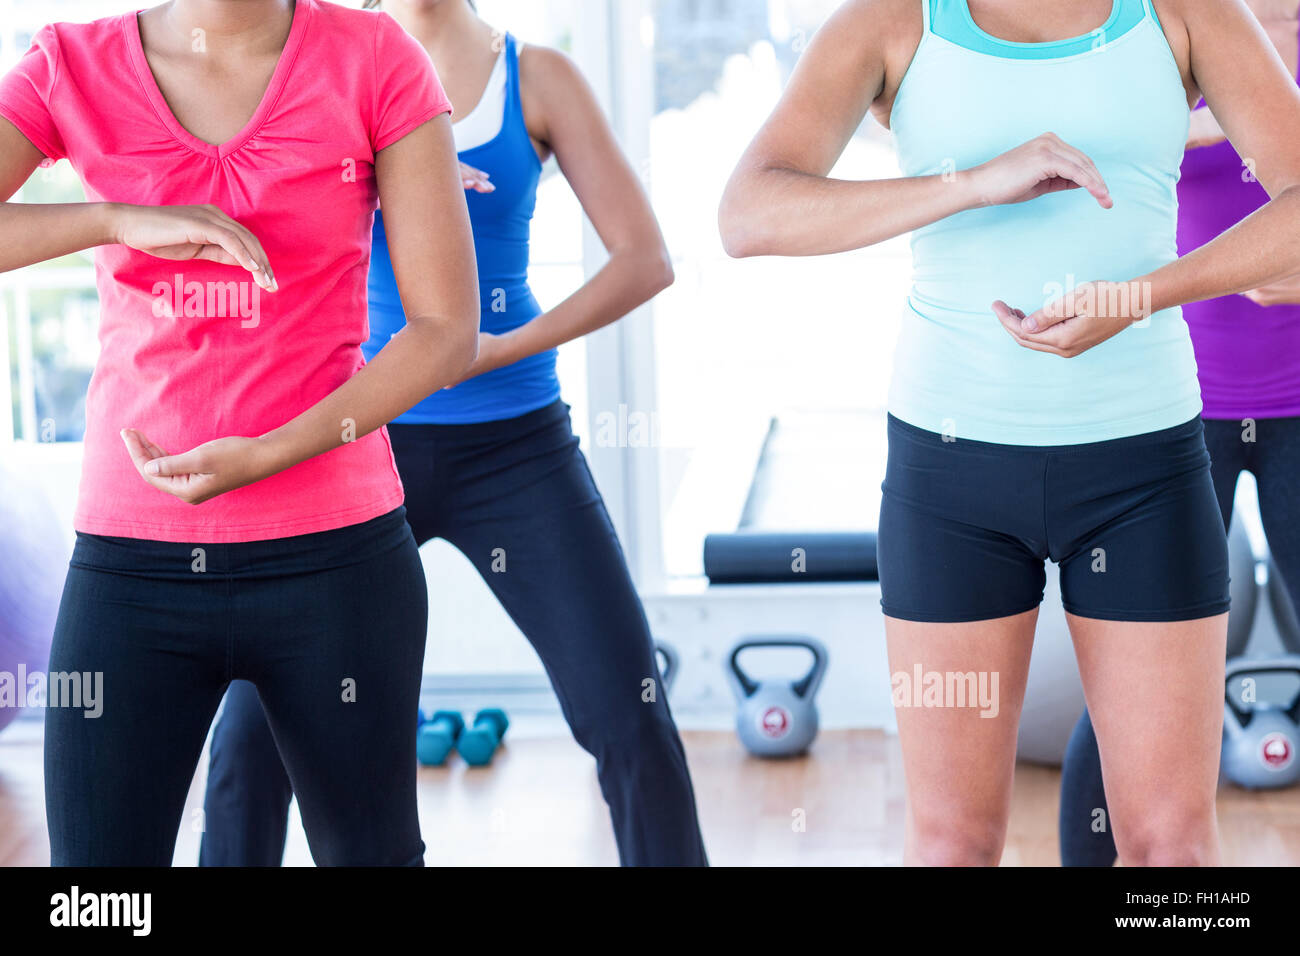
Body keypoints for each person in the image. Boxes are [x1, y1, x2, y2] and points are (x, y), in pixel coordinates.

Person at [719, 0, 1300, 865]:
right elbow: (750, 213)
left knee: (1171, 844)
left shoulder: (1187, 12)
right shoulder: (891, 20)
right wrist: (974, 182)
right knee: (954, 842)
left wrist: (1140, 294)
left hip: (1145, 461)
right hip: (950, 470)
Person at [199, 0, 709, 867]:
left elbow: (644, 259)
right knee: (250, 741)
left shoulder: (538, 76)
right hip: (355, 443)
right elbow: (243, 222)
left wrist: (499, 343)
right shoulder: (319, 69)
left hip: (514, 448)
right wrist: (383, 176)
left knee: (630, 712)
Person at [0, 0, 480, 865]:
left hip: (338, 560)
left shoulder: (377, 57)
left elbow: (445, 329)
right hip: (131, 561)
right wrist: (113, 219)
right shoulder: (73, 62)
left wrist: (269, 454)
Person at [1059, 0, 1300, 868]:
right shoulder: (1173, 44)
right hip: (1178, 405)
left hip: (1299, 409)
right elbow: (1082, 176)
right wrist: (1202, 129)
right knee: (1135, 678)